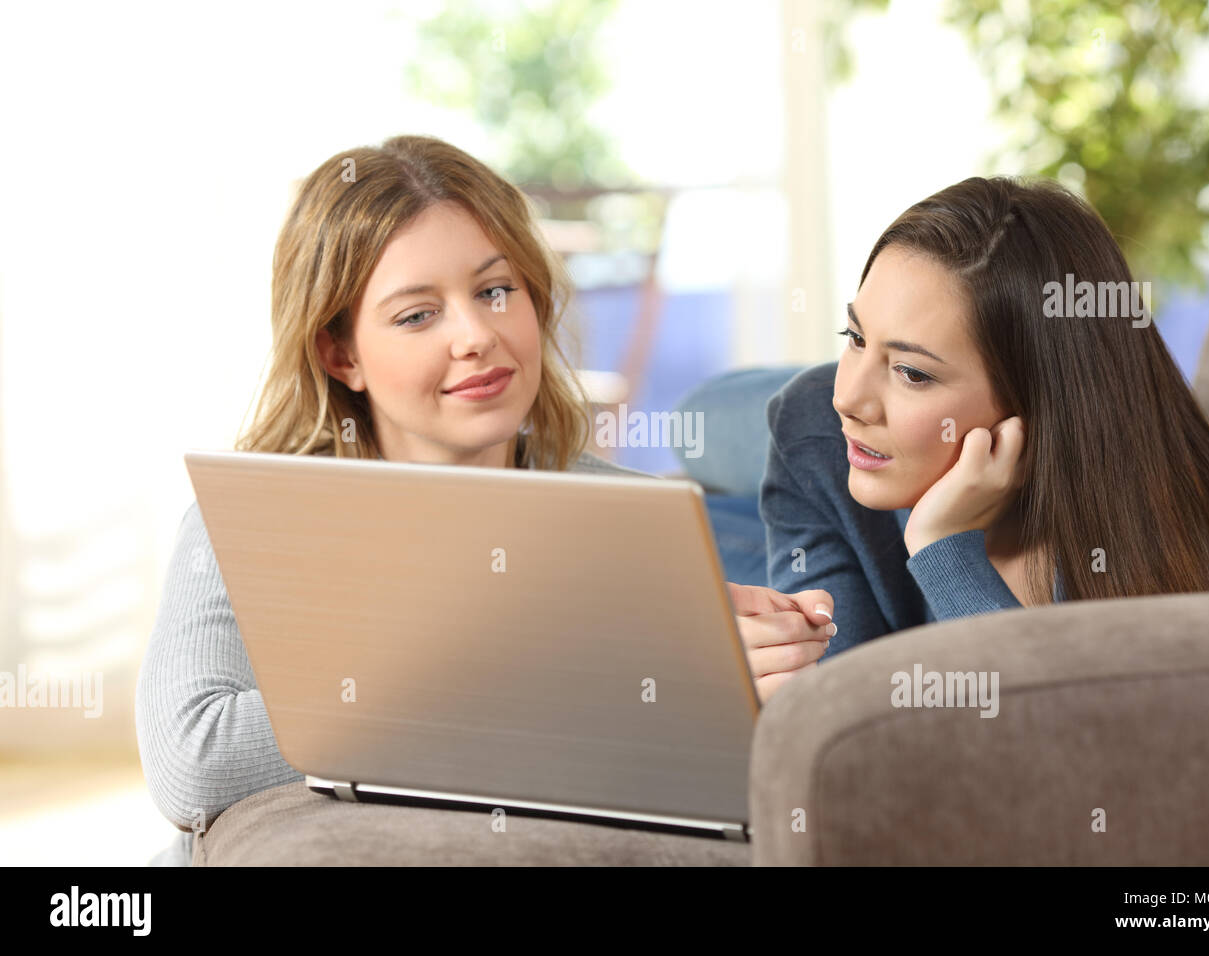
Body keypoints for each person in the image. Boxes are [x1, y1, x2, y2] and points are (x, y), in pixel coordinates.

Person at [137, 135, 831, 865]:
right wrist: (554, 662)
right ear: (341, 356)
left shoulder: (634, 517)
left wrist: (745, 677)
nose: (477, 336)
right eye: (416, 315)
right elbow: (194, 761)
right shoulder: (246, 521)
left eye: (496, 292)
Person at [761, 175, 1209, 660]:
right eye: (854, 336)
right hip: (804, 427)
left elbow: (1042, 731)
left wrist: (943, 549)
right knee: (716, 414)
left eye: (913, 373)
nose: (846, 399)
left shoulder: (1149, 545)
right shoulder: (815, 427)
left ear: (1037, 404)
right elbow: (834, 704)